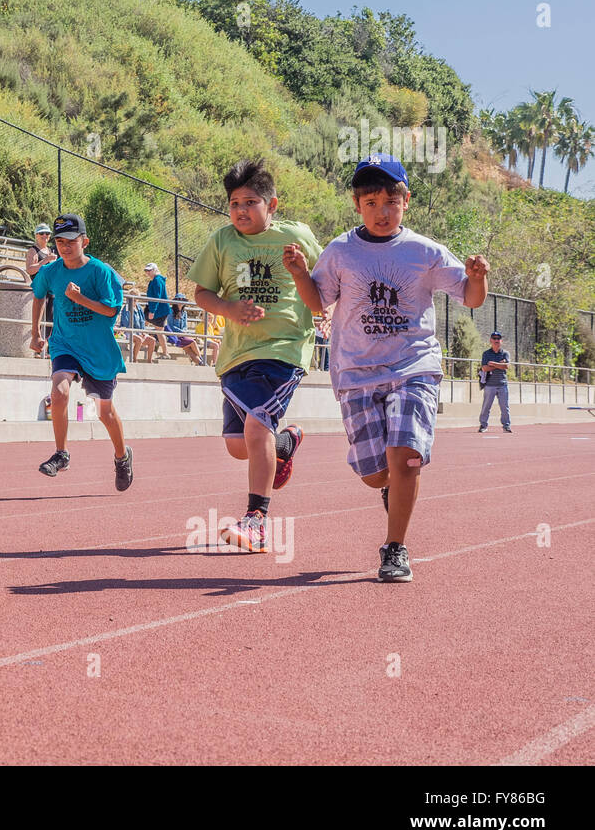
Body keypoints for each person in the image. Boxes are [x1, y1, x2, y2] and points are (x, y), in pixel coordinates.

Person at [284, 152, 489, 583]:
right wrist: (302, 273)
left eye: (390, 202)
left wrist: (477, 278)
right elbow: (318, 302)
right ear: (358, 205)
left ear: (406, 200)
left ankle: (395, 547)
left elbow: (470, 299)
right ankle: (390, 489)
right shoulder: (341, 251)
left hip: (413, 366)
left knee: (407, 457)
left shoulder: (424, 251)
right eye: (372, 203)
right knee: (377, 473)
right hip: (357, 371)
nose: (382, 212)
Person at [190, 159, 323, 553]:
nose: (241, 210)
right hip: (236, 354)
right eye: (233, 203)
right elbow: (201, 293)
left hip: (284, 350)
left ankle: (257, 519)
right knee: (236, 444)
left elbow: (328, 275)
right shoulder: (222, 241)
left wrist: (313, 286)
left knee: (254, 425)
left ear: (272, 204)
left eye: (250, 201)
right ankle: (283, 445)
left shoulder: (295, 235)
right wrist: (230, 309)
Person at [29, 213, 133, 490]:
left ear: (84, 242)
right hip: (65, 343)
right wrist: (36, 332)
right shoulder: (51, 271)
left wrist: (79, 298)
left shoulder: (100, 272)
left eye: (71, 242)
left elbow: (111, 309)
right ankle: (61, 454)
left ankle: (122, 457)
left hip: (98, 351)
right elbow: (38, 294)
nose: (64, 246)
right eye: (60, 241)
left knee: (104, 413)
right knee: (59, 390)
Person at [27, 223, 57, 350]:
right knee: (40, 319)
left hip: (51, 288)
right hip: (40, 287)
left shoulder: (50, 250)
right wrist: (45, 260)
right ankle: (38, 345)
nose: (45, 236)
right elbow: (30, 269)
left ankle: (47, 347)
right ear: (36, 235)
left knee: (52, 318)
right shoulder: (33, 250)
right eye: (41, 233)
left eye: (47, 233)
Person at [479, 330, 511, 433]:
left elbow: (506, 366)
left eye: (498, 339)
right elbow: (484, 368)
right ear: (490, 340)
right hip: (490, 385)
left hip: (502, 384)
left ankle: (506, 426)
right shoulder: (486, 353)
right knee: (486, 407)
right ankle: (483, 425)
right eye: (494, 338)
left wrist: (493, 364)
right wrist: (499, 364)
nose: (496, 340)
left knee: (504, 407)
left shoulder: (505, 353)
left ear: (501, 341)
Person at [119, 282, 157, 363]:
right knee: (139, 339)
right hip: (128, 331)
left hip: (139, 332)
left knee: (152, 340)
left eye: (137, 299)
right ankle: (134, 359)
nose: (136, 300)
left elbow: (142, 321)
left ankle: (149, 361)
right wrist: (137, 333)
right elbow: (126, 323)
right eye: (134, 298)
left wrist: (143, 332)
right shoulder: (126, 307)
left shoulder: (139, 307)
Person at [162, 293, 203, 364]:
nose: (181, 302)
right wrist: (182, 332)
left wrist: (184, 332)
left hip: (182, 335)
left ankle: (201, 363)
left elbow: (185, 326)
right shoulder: (171, 311)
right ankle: (203, 359)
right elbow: (171, 326)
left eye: (183, 300)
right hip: (175, 335)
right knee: (193, 343)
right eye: (178, 299)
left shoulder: (185, 313)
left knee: (189, 350)